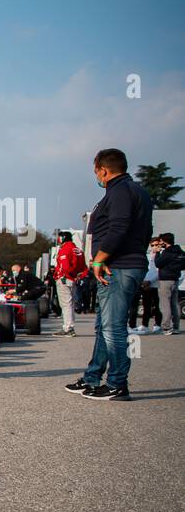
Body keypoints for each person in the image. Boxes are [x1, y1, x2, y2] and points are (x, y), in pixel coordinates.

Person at [65, 148, 152, 401]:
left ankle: (117, 384)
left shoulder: (121, 191)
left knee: (113, 328)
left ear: (103, 169)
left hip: (119, 267)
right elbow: (144, 232)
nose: (97, 176)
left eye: (96, 171)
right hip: (123, 265)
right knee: (104, 326)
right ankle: (93, 377)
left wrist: (100, 259)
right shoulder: (136, 192)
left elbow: (119, 227)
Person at [51, 231, 86, 336]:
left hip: (65, 279)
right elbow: (83, 267)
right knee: (70, 304)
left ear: (62, 238)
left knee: (66, 304)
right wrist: (78, 276)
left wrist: (60, 276)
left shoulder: (65, 249)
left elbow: (64, 266)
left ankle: (68, 328)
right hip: (73, 279)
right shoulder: (78, 249)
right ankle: (69, 327)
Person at [152, 233, 182, 334]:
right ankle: (176, 327)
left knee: (165, 305)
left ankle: (166, 328)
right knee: (174, 303)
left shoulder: (167, 253)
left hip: (165, 280)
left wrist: (157, 253)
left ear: (164, 241)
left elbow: (158, 263)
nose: (159, 244)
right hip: (175, 279)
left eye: (160, 241)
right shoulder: (179, 251)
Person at [129, 247, 160, 335]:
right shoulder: (145, 255)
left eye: (158, 244)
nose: (156, 247)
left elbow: (158, 271)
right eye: (153, 245)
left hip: (152, 284)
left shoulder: (159, 256)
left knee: (150, 306)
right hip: (140, 282)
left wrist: (149, 281)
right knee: (134, 305)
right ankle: (132, 325)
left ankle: (149, 325)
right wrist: (142, 281)